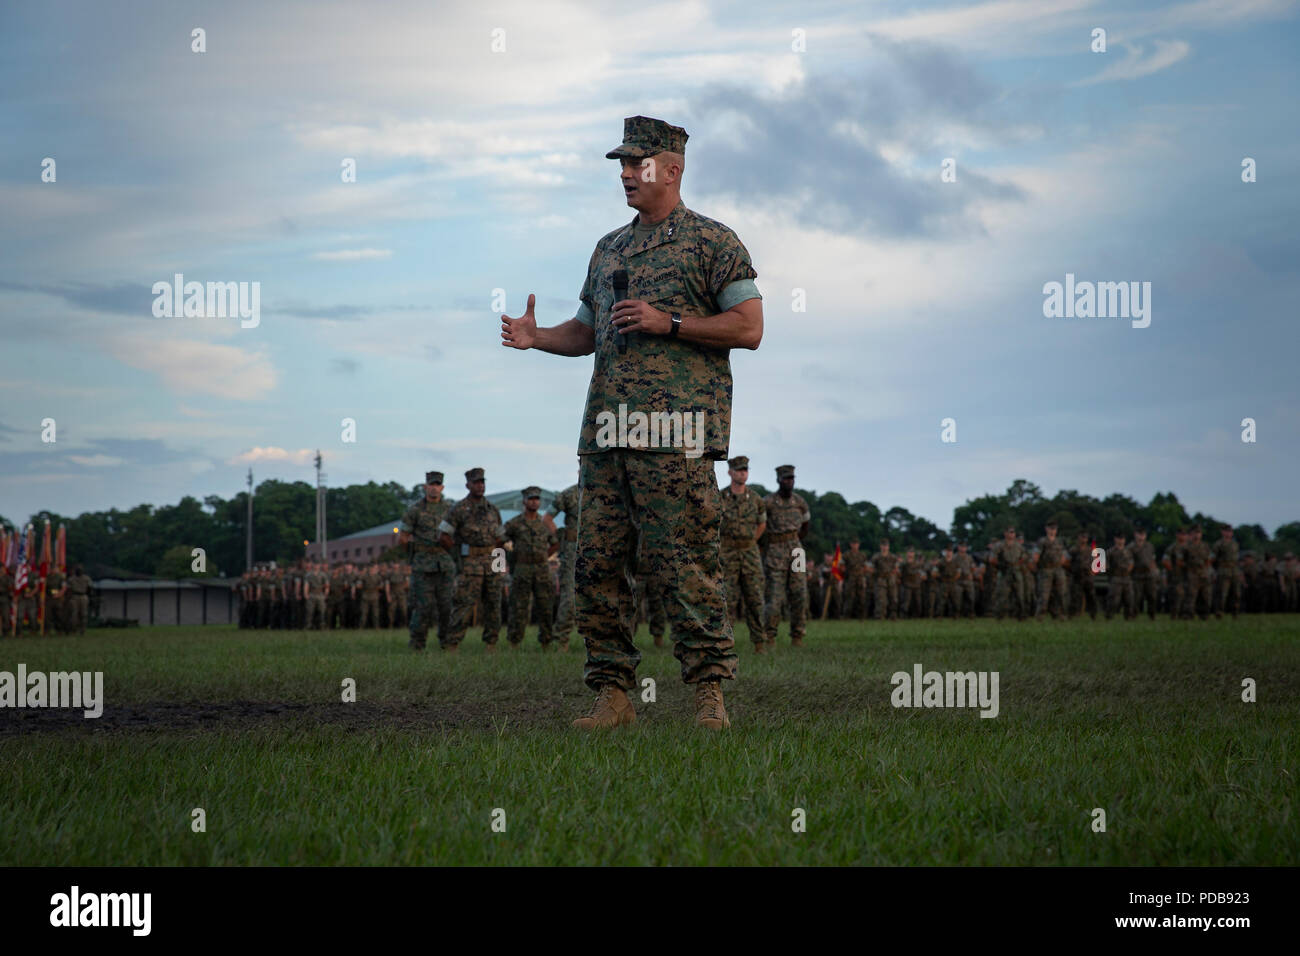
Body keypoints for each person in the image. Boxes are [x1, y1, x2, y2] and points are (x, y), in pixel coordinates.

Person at [501, 115, 763, 729]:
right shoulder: (608, 248)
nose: (624, 174)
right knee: (596, 566)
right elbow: (590, 333)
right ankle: (613, 696)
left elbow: (749, 328)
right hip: (607, 435)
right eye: (620, 164)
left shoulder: (712, 243)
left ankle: (708, 694)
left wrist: (668, 322)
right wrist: (538, 337)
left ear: (671, 170)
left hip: (676, 435)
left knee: (685, 564)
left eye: (636, 163)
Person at [440, 468, 505, 651]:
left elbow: (501, 539)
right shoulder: (458, 509)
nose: (480, 485)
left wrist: (499, 566)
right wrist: (459, 557)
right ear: (468, 485)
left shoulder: (493, 510)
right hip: (470, 563)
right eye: (476, 482)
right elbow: (443, 537)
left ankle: (491, 644)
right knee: (464, 603)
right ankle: (453, 643)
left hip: (492, 562)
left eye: (482, 482)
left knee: (493, 603)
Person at [402, 470, 456, 650]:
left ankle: (447, 642)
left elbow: (458, 534)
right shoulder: (415, 510)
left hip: (445, 563)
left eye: (437, 485)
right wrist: (416, 552)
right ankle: (417, 643)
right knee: (423, 607)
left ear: (442, 487)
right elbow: (403, 538)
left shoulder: (450, 509)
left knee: (446, 606)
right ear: (425, 487)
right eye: (431, 485)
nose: (434, 488)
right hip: (423, 565)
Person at [718, 455, 767, 652]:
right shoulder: (720, 497)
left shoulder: (755, 499)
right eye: (738, 470)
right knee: (727, 599)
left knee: (754, 597)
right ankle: (724, 642)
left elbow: (762, 524)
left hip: (749, 553)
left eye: (745, 470)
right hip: (727, 553)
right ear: (730, 472)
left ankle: (759, 642)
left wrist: (751, 541)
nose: (742, 473)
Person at [504, 487, 560, 649]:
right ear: (524, 501)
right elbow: (498, 542)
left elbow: (556, 543)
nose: (534, 501)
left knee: (545, 607)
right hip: (522, 569)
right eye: (531, 498)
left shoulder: (544, 524)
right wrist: (500, 565)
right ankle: (514, 642)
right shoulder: (514, 523)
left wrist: (544, 555)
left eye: (537, 499)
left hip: (542, 569)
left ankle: (546, 642)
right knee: (518, 607)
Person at [762, 465, 811, 648]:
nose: (789, 482)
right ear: (778, 480)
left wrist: (795, 540)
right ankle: (770, 636)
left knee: (799, 594)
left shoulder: (800, 502)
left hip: (796, 552)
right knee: (774, 598)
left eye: (791, 478)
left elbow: (806, 525)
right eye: (785, 479)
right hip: (775, 550)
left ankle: (797, 636)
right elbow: (760, 526)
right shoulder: (768, 502)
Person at [549, 464, 582, 649]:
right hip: (571, 552)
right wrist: (559, 538)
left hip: (596, 552)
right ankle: (561, 641)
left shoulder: (602, 493)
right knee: (569, 598)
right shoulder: (569, 494)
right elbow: (547, 518)